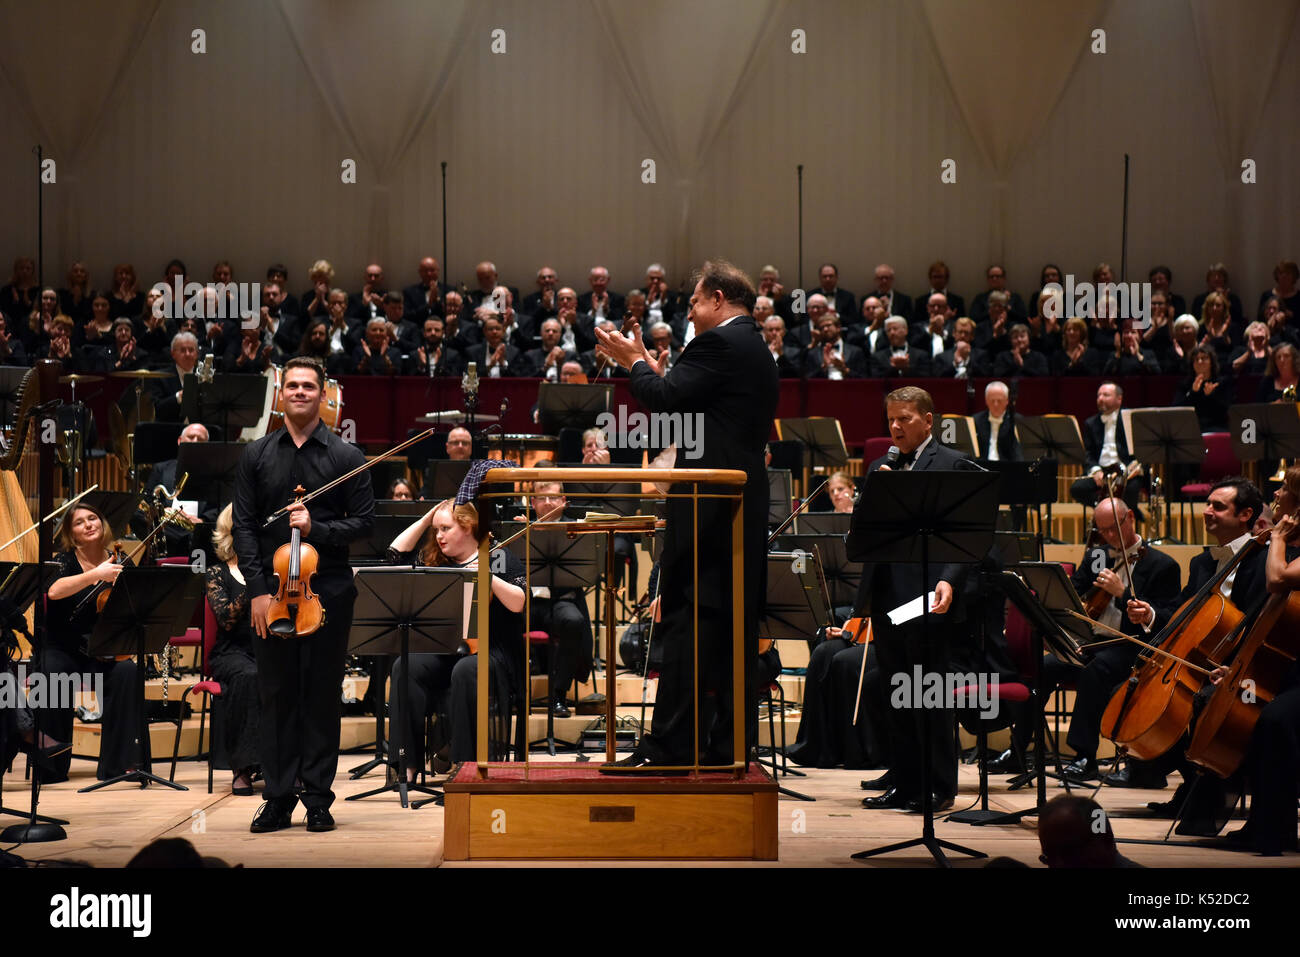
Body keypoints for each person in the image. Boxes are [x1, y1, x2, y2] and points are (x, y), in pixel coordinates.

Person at [594, 259, 779, 769]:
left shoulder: (718, 342)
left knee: (688, 626)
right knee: (725, 632)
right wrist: (655, 375)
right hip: (738, 509)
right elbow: (689, 408)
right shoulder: (753, 345)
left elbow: (669, 397)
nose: (691, 312)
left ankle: (672, 748)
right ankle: (724, 749)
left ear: (719, 298)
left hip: (708, 508)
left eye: (695, 302)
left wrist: (634, 363)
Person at [232, 356, 375, 834]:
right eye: (291, 385)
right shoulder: (256, 455)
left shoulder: (346, 456)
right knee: (275, 694)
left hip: (328, 591)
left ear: (322, 396)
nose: (298, 392)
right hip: (270, 595)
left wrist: (319, 527)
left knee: (319, 696)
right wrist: (255, 591)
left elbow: (365, 524)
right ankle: (276, 798)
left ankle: (316, 798)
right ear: (280, 394)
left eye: (307, 386)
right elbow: (246, 528)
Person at [851, 386, 980, 812]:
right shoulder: (880, 468)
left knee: (928, 696)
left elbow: (966, 533)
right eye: (890, 419)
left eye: (904, 418)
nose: (895, 426)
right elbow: (867, 534)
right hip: (889, 596)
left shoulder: (951, 464)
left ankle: (938, 786)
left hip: (930, 598)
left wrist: (950, 579)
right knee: (896, 696)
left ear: (929, 420)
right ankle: (905, 784)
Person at [1010, 498, 1180, 783]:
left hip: (1133, 648)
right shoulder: (1096, 556)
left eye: (1114, 529)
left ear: (1130, 519)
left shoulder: (1162, 565)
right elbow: (1071, 594)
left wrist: (1122, 592)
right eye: (1103, 531)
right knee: (1045, 667)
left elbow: (1164, 618)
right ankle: (1018, 748)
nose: (1109, 537)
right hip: (1093, 643)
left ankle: (1084, 757)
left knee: (1095, 671)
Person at [385, 495, 527, 779]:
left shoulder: (498, 556)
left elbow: (519, 602)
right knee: (405, 666)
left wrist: (488, 576)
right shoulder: (434, 559)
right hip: (446, 649)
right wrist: (428, 518)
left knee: (466, 670)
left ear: (468, 526)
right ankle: (407, 766)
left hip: (492, 653)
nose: (438, 536)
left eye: (445, 528)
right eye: (436, 530)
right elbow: (394, 554)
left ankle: (464, 768)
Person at [41, 503, 146, 782]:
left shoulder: (122, 561)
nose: (88, 524)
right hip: (64, 647)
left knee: (128, 673)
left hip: (105, 649)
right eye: (79, 522)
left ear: (103, 525)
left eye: (93, 518)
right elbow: (53, 591)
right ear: (72, 534)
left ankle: (118, 765)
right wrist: (96, 575)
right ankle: (51, 766)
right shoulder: (63, 561)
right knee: (52, 673)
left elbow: (138, 602)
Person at [519, 481, 594, 716]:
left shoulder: (576, 531)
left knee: (574, 621)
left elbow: (586, 573)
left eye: (554, 498)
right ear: (532, 503)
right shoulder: (519, 529)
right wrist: (523, 536)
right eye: (542, 498)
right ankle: (510, 691)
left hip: (561, 601)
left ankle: (558, 695)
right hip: (526, 602)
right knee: (501, 620)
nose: (548, 502)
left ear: (564, 502)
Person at [206, 505, 261, 795]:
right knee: (249, 676)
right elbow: (226, 619)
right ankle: (242, 767)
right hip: (231, 653)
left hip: (265, 645)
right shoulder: (217, 572)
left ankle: (287, 764)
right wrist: (253, 581)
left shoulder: (270, 567)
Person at [1070, 382, 1144, 515]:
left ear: (1119, 399)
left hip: (1125, 472)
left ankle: (1120, 515)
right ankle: (1103, 511)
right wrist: (1096, 471)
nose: (1101, 398)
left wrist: (1135, 467)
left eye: (1106, 395)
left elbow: (1140, 449)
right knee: (1077, 488)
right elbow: (1088, 454)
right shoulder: (1091, 423)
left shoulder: (1130, 419)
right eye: (1099, 395)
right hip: (1102, 471)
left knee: (1132, 489)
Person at [973, 381, 1021, 462]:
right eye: (992, 400)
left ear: (1007, 401)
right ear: (986, 401)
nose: (996, 404)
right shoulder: (975, 420)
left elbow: (1018, 455)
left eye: (999, 401)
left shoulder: (1017, 421)